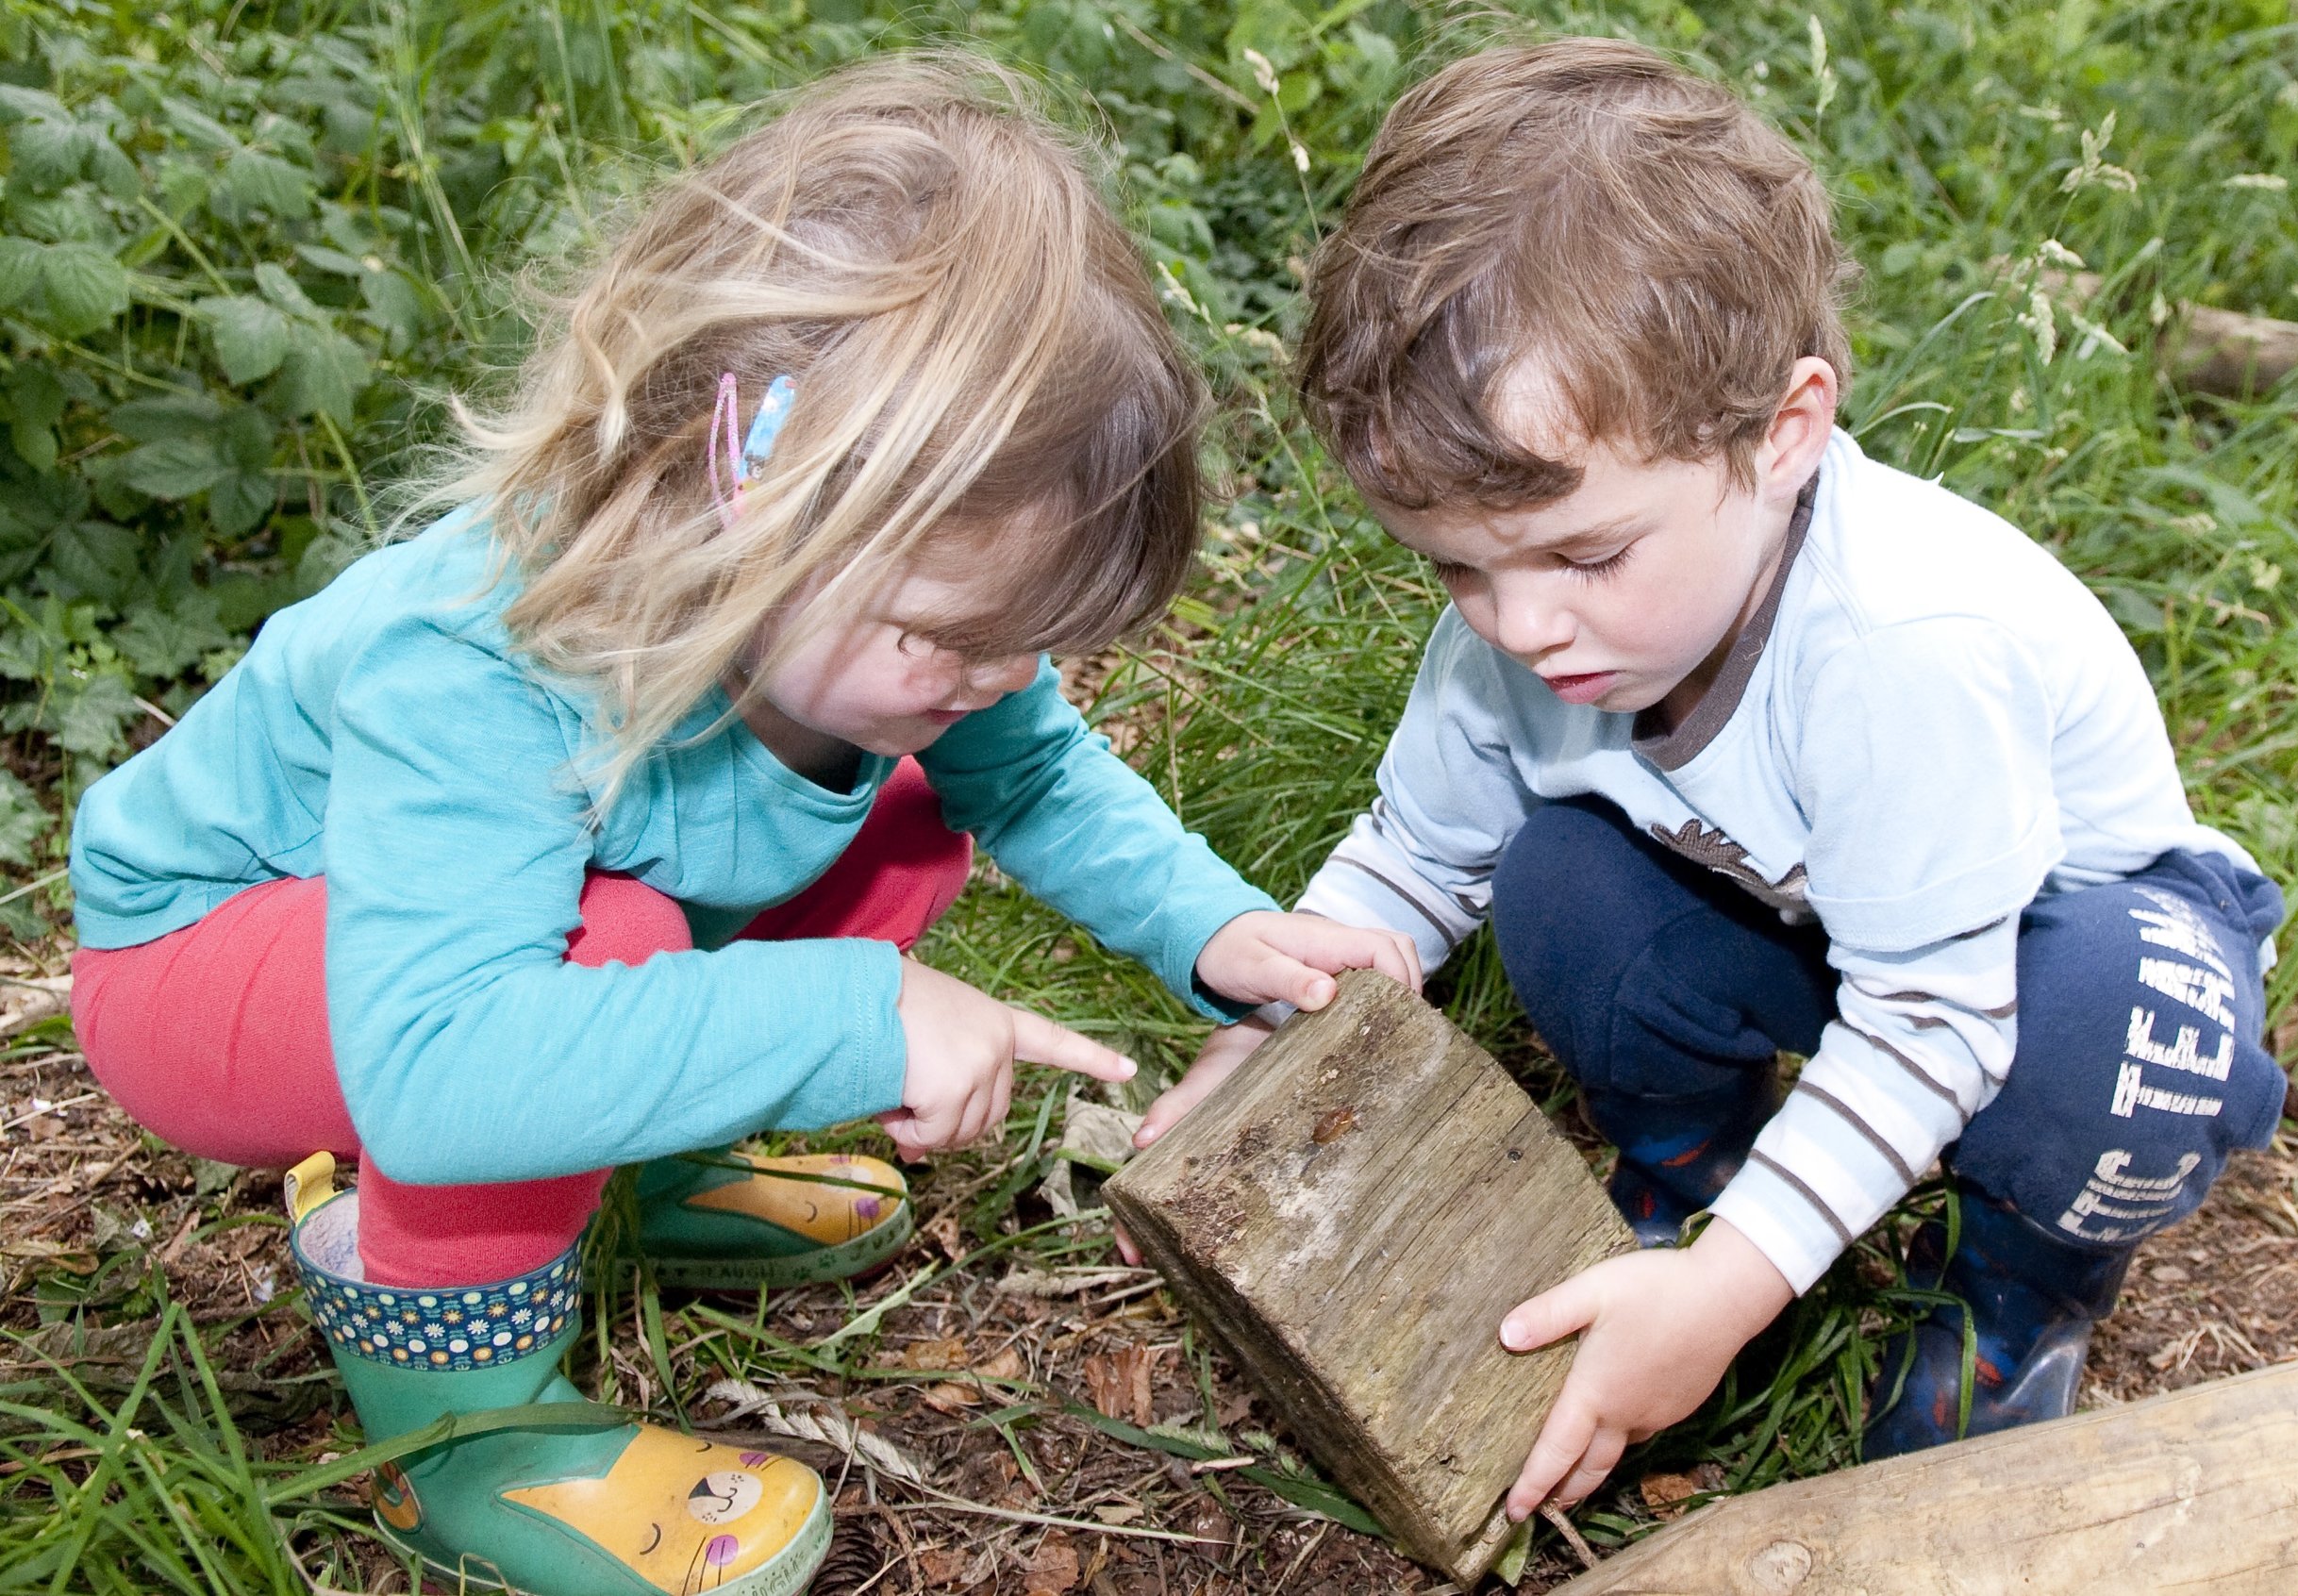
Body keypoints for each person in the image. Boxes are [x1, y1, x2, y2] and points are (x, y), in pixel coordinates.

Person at [67, 56, 1417, 1596]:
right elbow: (436, 1066)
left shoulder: (892, 627)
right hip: (214, 970)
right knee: (609, 939)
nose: (987, 679)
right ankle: (467, 1433)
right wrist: (848, 1013)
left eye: (1023, 641)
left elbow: (1030, 773)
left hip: (452, 969)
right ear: (745, 497)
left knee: (900, 818)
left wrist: (1215, 928)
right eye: (945, 634)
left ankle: (620, 1166)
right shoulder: (478, 663)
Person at [1129, 37, 2284, 1521]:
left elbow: (1938, 1014)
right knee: (1556, 876)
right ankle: (1696, 1181)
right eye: (1455, 566)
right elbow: (1416, 860)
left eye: (1586, 552)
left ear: (1783, 435)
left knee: (2105, 1036)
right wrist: (1280, 1027)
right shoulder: (1521, 637)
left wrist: (1732, 1296)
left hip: (2056, 958)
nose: (1521, 621)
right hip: (1815, 918)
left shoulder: (1900, 648)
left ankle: (2009, 1303)